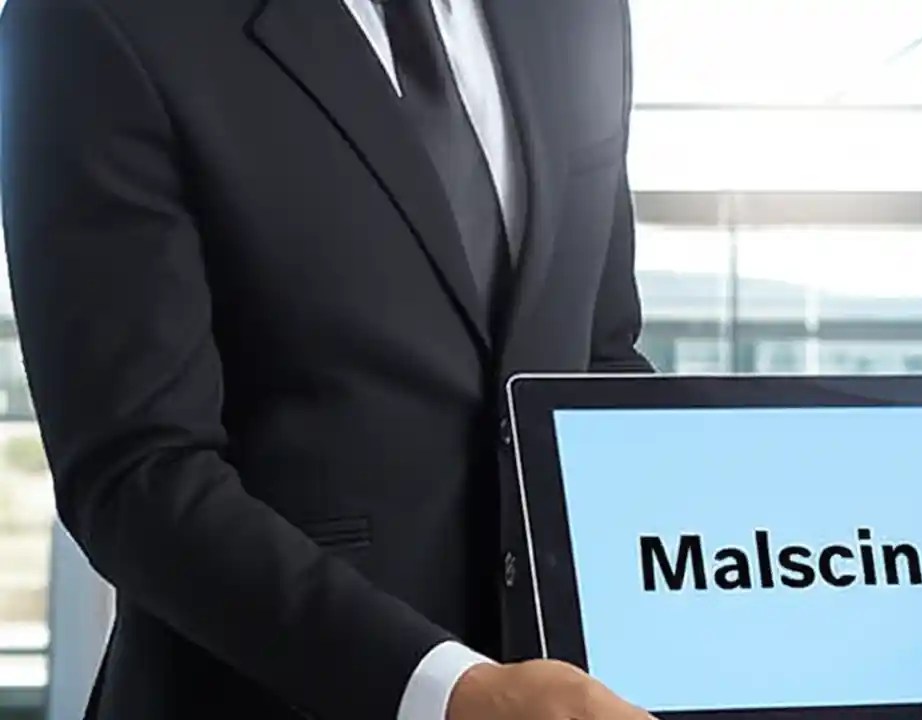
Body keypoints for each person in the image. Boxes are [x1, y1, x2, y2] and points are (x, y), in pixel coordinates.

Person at [0, 0, 655, 717]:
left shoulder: (579, 12)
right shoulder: (100, 17)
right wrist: (451, 693)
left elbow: (599, 366)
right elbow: (138, 472)